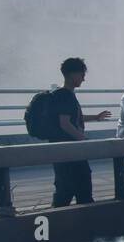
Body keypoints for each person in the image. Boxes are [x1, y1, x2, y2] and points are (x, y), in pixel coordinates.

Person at [42, 57, 113, 206]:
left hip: (66, 150)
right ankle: (69, 221)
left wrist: (95, 117)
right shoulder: (64, 95)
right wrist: (84, 141)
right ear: (73, 74)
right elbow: (65, 124)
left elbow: (72, 119)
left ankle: (66, 220)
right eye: (82, 75)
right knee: (73, 188)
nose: (84, 79)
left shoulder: (64, 94)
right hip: (69, 150)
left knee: (71, 188)